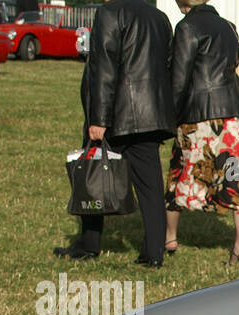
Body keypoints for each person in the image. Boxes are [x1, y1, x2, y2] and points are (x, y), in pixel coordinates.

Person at [55, 0, 175, 267]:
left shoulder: (109, 13)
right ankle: (154, 253)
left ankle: (89, 244)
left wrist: (98, 118)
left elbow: (104, 65)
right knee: (151, 187)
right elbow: (167, 64)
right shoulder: (159, 17)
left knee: (92, 176)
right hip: (150, 113)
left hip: (118, 114)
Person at [163, 0, 239, 264]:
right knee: (236, 176)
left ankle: (169, 237)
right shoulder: (229, 27)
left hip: (200, 120)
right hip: (235, 120)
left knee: (180, 174)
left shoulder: (186, 27)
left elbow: (179, 80)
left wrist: (170, 116)